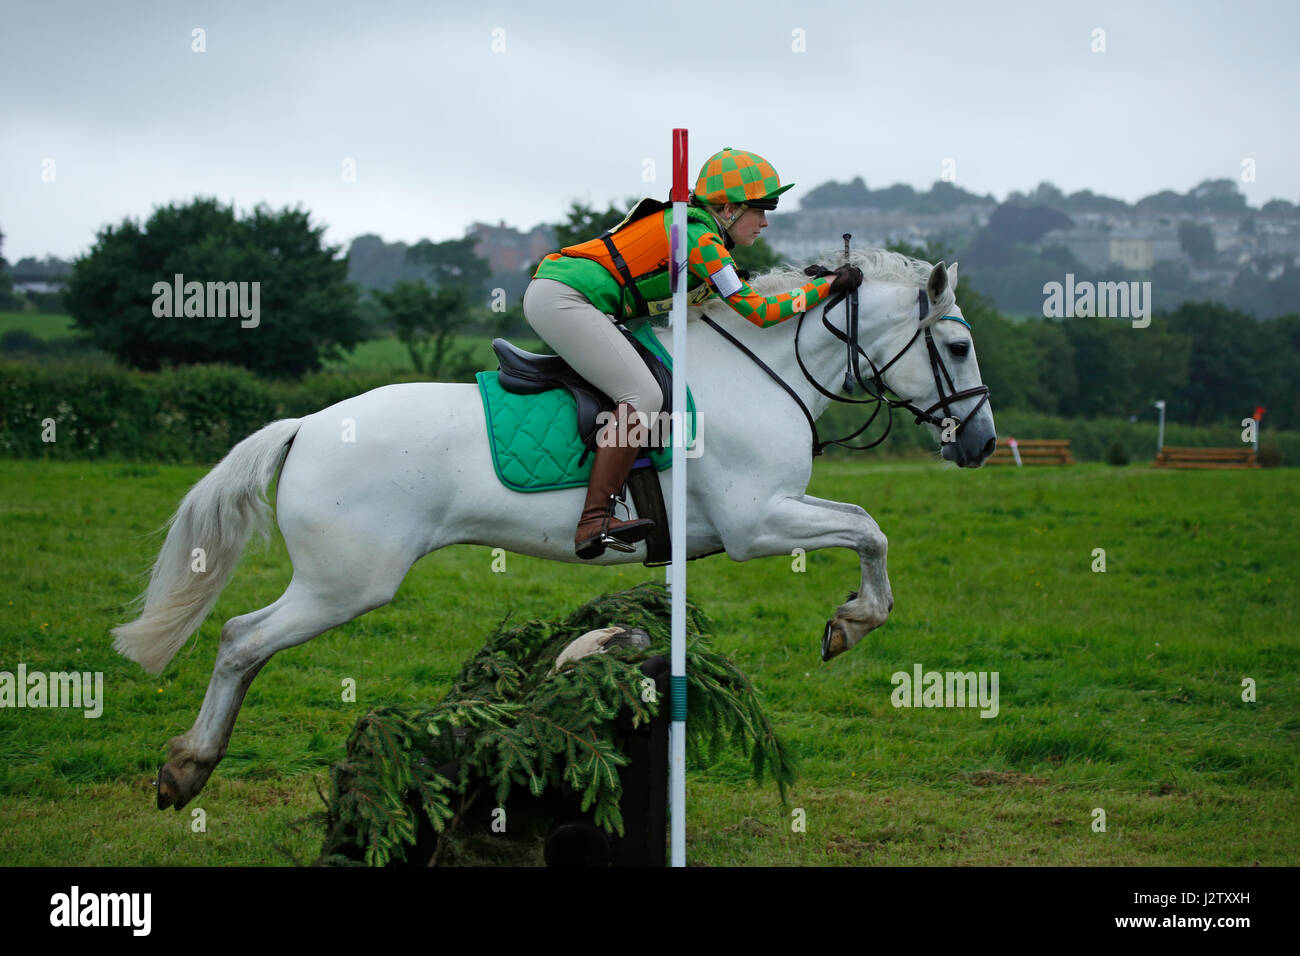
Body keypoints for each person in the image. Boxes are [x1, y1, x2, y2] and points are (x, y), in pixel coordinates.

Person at [523, 147, 863, 560]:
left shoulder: (702, 233)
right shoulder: (699, 237)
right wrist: (827, 288)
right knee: (643, 397)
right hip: (566, 298)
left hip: (572, 296)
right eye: (762, 208)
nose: (766, 221)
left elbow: (738, 297)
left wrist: (811, 286)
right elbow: (759, 312)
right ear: (728, 207)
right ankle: (595, 519)